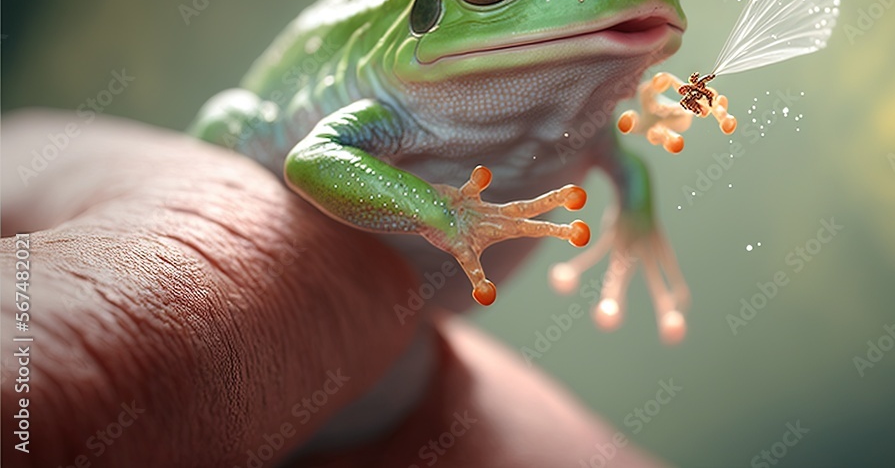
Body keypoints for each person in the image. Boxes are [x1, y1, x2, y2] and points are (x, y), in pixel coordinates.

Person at [1, 110, 668, 467]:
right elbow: (314, 157)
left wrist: (636, 219)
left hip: (409, 347)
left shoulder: (582, 103)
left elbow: (625, 163)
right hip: (255, 187)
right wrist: (447, 213)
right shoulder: (399, 106)